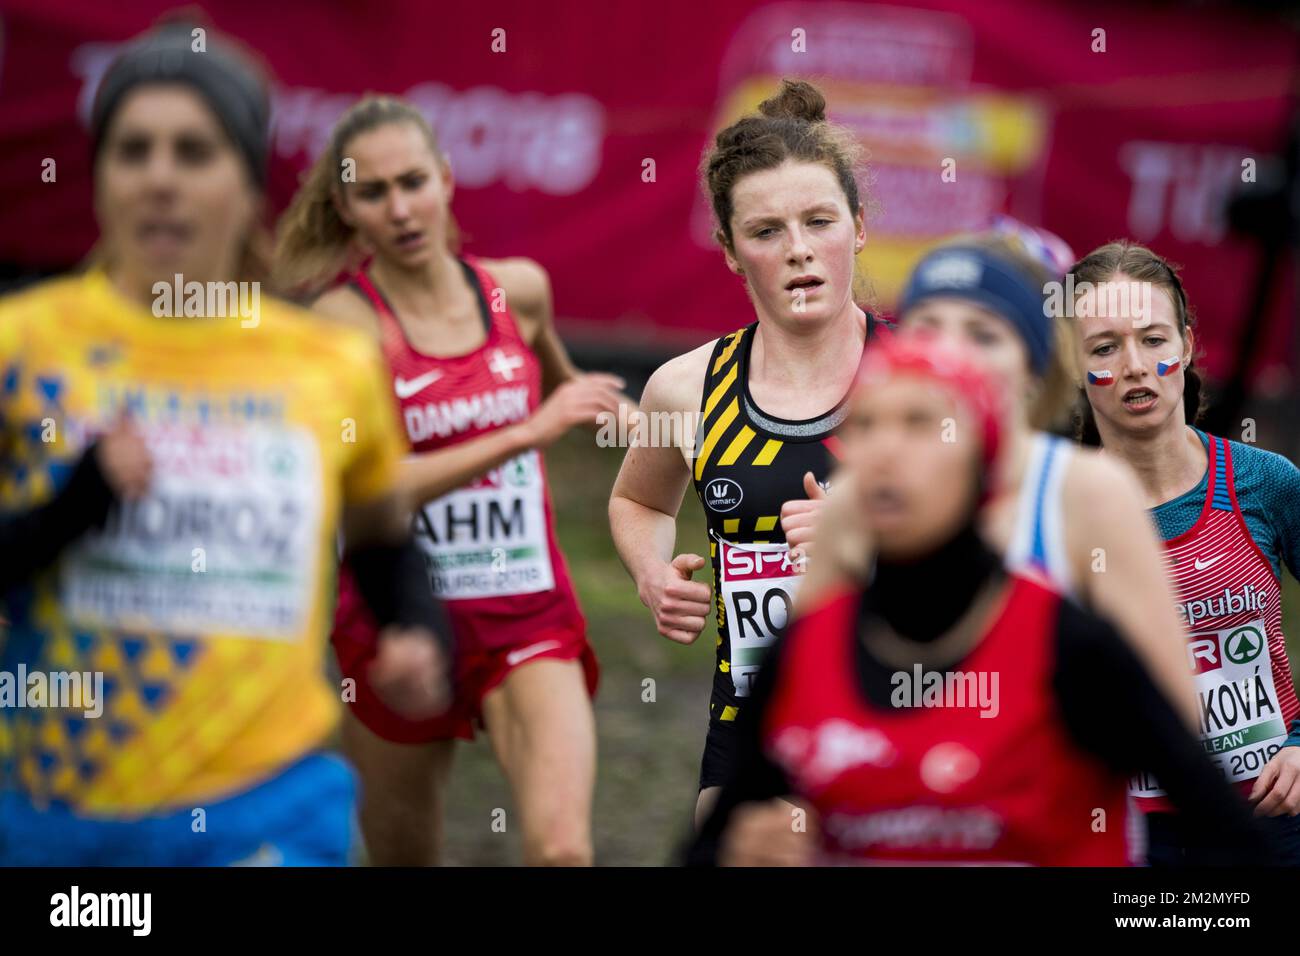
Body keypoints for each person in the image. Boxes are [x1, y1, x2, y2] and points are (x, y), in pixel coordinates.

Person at [0, 23, 449, 866]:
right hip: (61, 808)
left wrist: (417, 631)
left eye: (194, 152)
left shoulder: (330, 363)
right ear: (99, 179)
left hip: (267, 812)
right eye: (133, 151)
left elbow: (386, 543)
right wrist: (77, 504)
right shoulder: (24, 348)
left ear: (248, 183)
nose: (161, 177)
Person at [686, 336, 1273, 866]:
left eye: (920, 425)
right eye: (865, 426)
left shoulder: (1064, 642)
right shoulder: (806, 644)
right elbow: (710, 845)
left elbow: (1230, 844)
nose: (887, 451)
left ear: (981, 461)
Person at [274, 95, 626, 866]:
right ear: (345, 206)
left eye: (413, 182)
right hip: (394, 626)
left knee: (564, 852)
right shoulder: (344, 328)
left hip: (525, 609)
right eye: (373, 193)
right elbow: (375, 491)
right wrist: (525, 432)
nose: (400, 209)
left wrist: (645, 424)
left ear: (446, 177)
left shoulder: (519, 291)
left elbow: (572, 390)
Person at [609, 78, 885, 826]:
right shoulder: (685, 389)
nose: (799, 251)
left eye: (819, 221)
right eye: (766, 232)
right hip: (752, 722)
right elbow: (638, 500)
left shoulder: (924, 380)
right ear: (731, 252)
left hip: (906, 711)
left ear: (858, 226)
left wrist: (863, 543)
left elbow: (1011, 553)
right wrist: (651, 573)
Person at [797, 235, 1198, 733]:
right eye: (927, 331)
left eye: (982, 336)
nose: (949, 356)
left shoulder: (1088, 493)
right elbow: (799, 709)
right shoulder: (857, 501)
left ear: (1033, 368)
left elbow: (1176, 716)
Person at [1070, 240, 1300, 865]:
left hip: (1272, 820)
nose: (1135, 366)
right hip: (1126, 833)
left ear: (1188, 345)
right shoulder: (1055, 509)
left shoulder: (1266, 482)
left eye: (1153, 339)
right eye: (1104, 348)